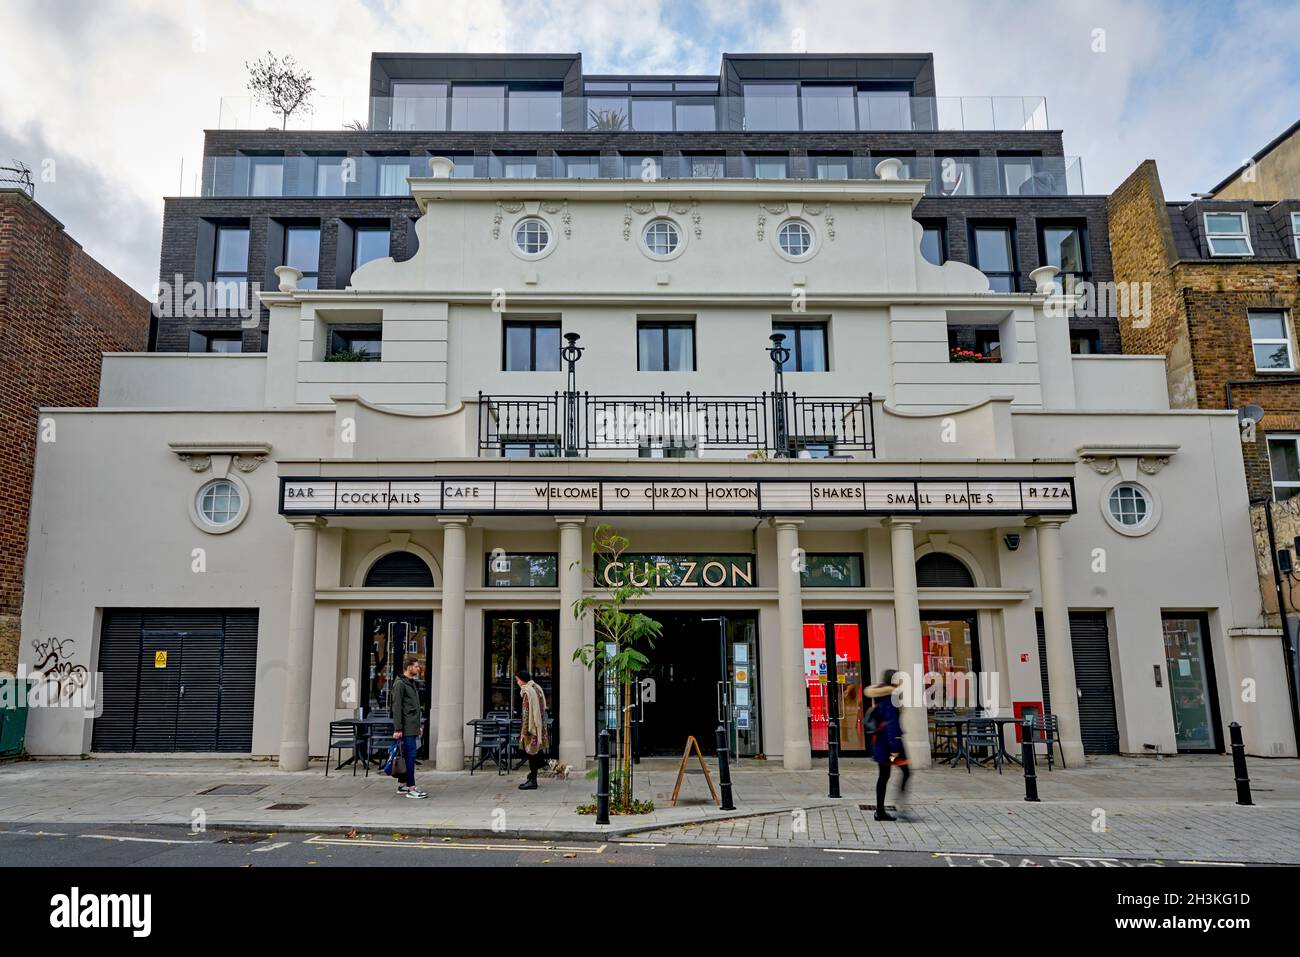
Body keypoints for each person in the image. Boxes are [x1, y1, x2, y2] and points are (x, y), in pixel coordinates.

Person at [865, 669, 909, 822]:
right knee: (903, 771)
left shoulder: (881, 697)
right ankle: (895, 806)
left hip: (882, 745)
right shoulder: (891, 698)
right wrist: (895, 750)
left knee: (884, 776)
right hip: (889, 747)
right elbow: (891, 724)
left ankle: (881, 810)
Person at [390, 657, 427, 799]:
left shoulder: (411, 683)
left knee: (406, 757)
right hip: (405, 727)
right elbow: (397, 707)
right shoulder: (400, 684)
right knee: (410, 757)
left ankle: (402, 785)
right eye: (416, 666)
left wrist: (418, 726)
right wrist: (398, 729)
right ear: (409, 667)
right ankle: (411, 788)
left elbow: (414, 707)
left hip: (412, 726)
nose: (419, 669)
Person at [515, 669, 549, 790]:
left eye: (517, 679)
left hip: (531, 729)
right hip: (539, 727)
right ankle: (538, 769)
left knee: (531, 753)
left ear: (522, 680)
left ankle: (533, 781)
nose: (517, 681)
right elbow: (543, 707)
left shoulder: (527, 692)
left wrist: (524, 732)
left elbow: (526, 713)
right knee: (535, 752)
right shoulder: (536, 688)